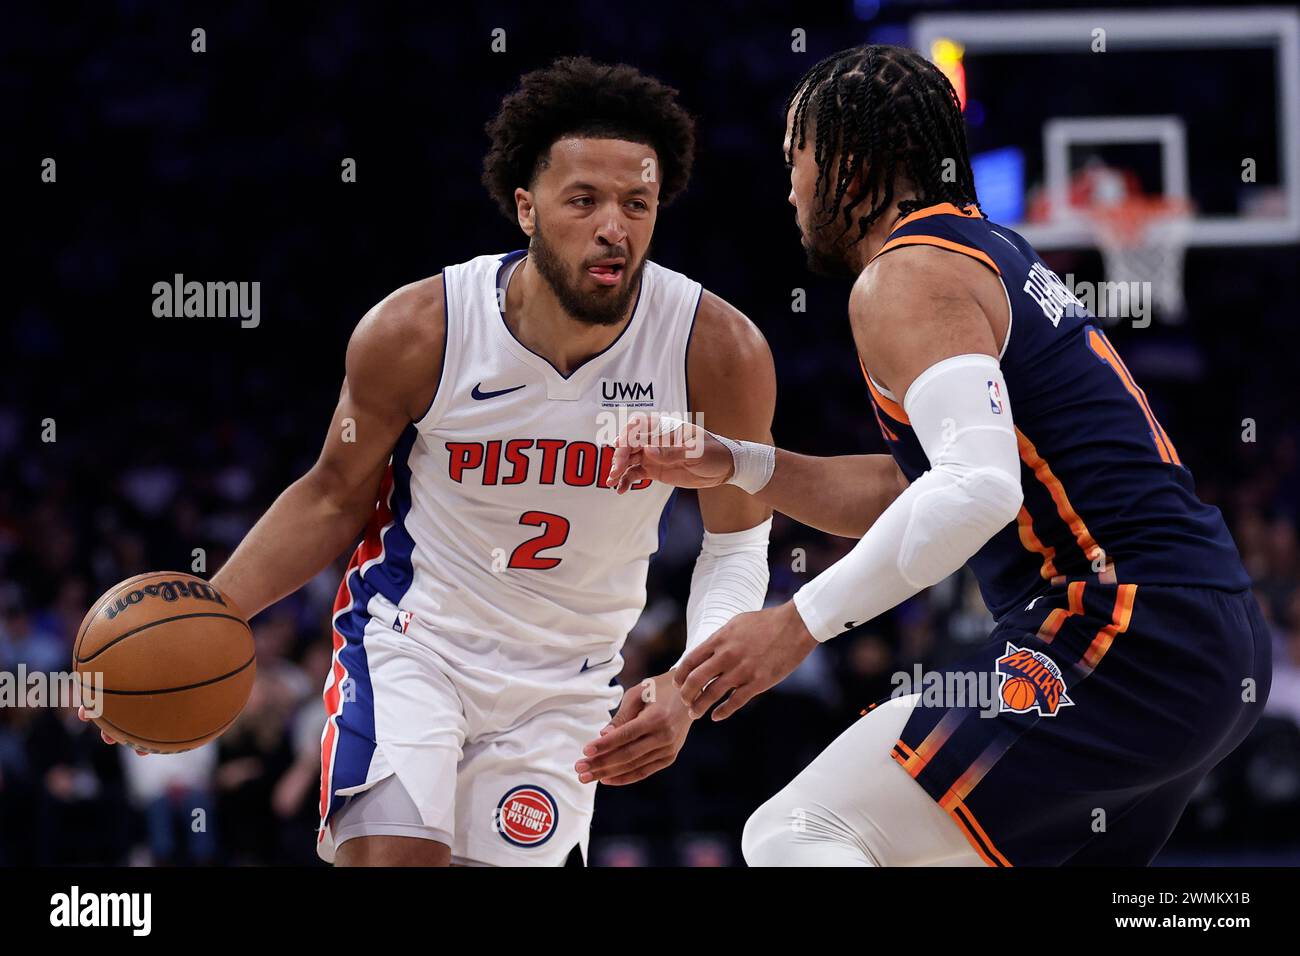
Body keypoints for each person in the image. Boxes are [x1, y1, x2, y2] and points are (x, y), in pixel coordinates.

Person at [90, 57, 776, 867]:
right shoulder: (420, 330)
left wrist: (687, 692)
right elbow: (331, 495)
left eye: (637, 204)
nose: (613, 228)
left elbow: (735, 544)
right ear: (526, 208)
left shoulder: (717, 350)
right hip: (416, 645)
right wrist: (208, 619)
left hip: (568, 683)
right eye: (583, 201)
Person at [608, 44, 1271, 866]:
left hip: (1121, 628)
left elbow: (975, 490)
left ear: (854, 166)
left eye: (798, 160)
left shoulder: (907, 275)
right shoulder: (985, 252)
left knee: (799, 833)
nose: (789, 189)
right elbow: (915, 483)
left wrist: (797, 622)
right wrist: (743, 463)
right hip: (1206, 634)